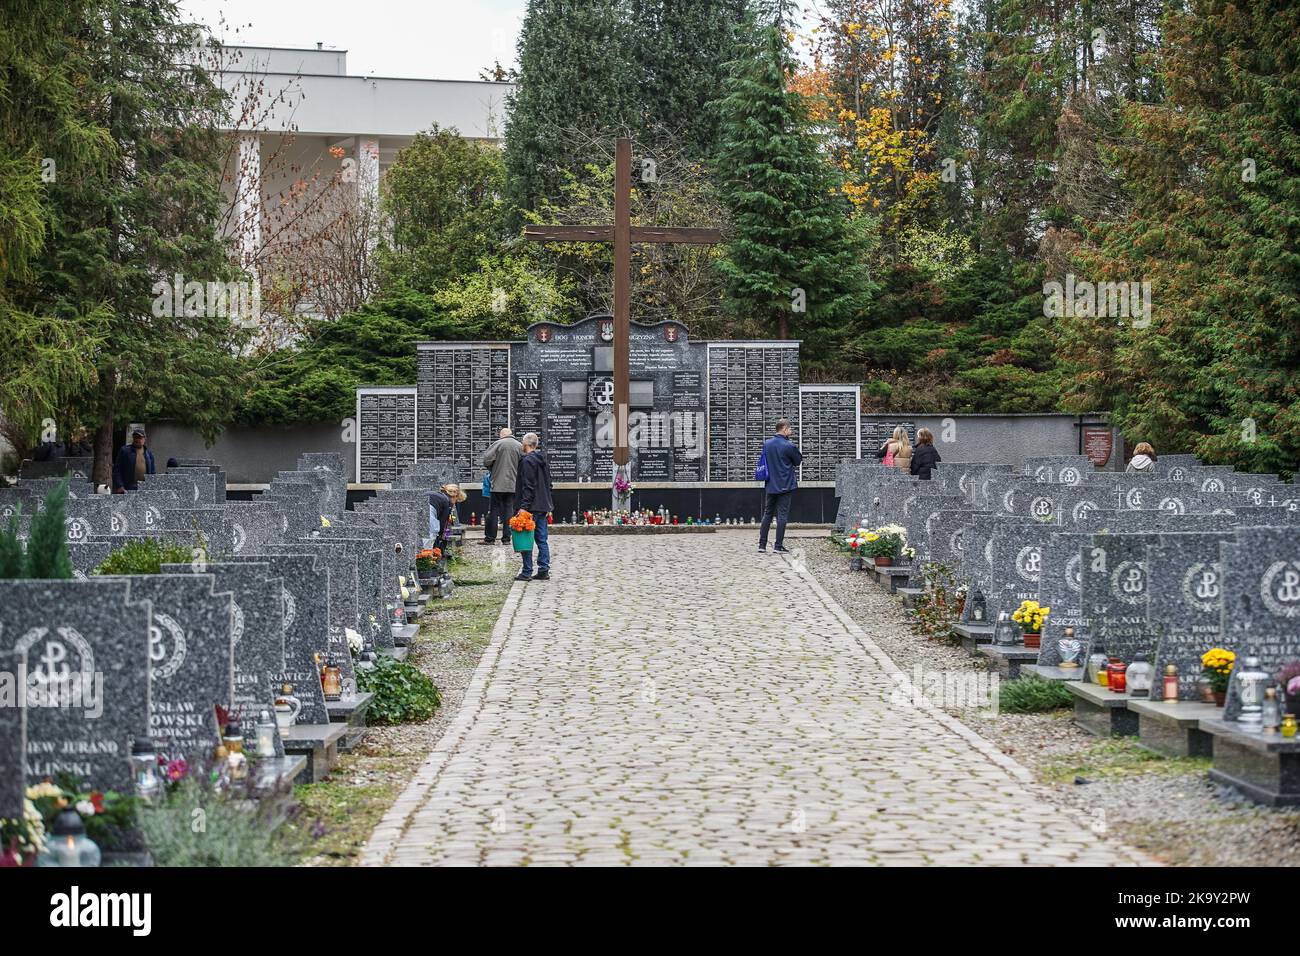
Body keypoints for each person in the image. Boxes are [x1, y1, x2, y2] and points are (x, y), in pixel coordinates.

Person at [758, 418, 802, 554]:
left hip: (771, 484)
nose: (791, 431)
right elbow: (797, 461)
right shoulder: (789, 445)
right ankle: (778, 546)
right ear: (784, 429)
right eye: (789, 429)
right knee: (782, 516)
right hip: (785, 485)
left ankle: (762, 545)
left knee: (767, 514)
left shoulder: (767, 444)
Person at [514, 432, 553, 581]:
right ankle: (543, 570)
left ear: (525, 444)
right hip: (542, 505)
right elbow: (549, 484)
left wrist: (524, 507)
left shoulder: (527, 461)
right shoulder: (543, 460)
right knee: (541, 539)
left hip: (530, 507)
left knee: (525, 538)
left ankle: (526, 571)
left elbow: (528, 486)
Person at [480, 426, 524, 547]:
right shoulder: (520, 446)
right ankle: (506, 539)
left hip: (498, 485)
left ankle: (490, 538)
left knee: (494, 511)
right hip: (513, 485)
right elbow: (524, 463)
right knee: (509, 511)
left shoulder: (497, 444)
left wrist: (493, 468)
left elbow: (486, 460)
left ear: (502, 435)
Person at [427, 483, 465, 550]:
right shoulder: (446, 502)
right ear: (454, 496)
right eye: (457, 500)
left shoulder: (440, 495)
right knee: (432, 533)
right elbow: (443, 523)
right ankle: (427, 557)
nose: (455, 502)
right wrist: (442, 536)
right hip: (430, 511)